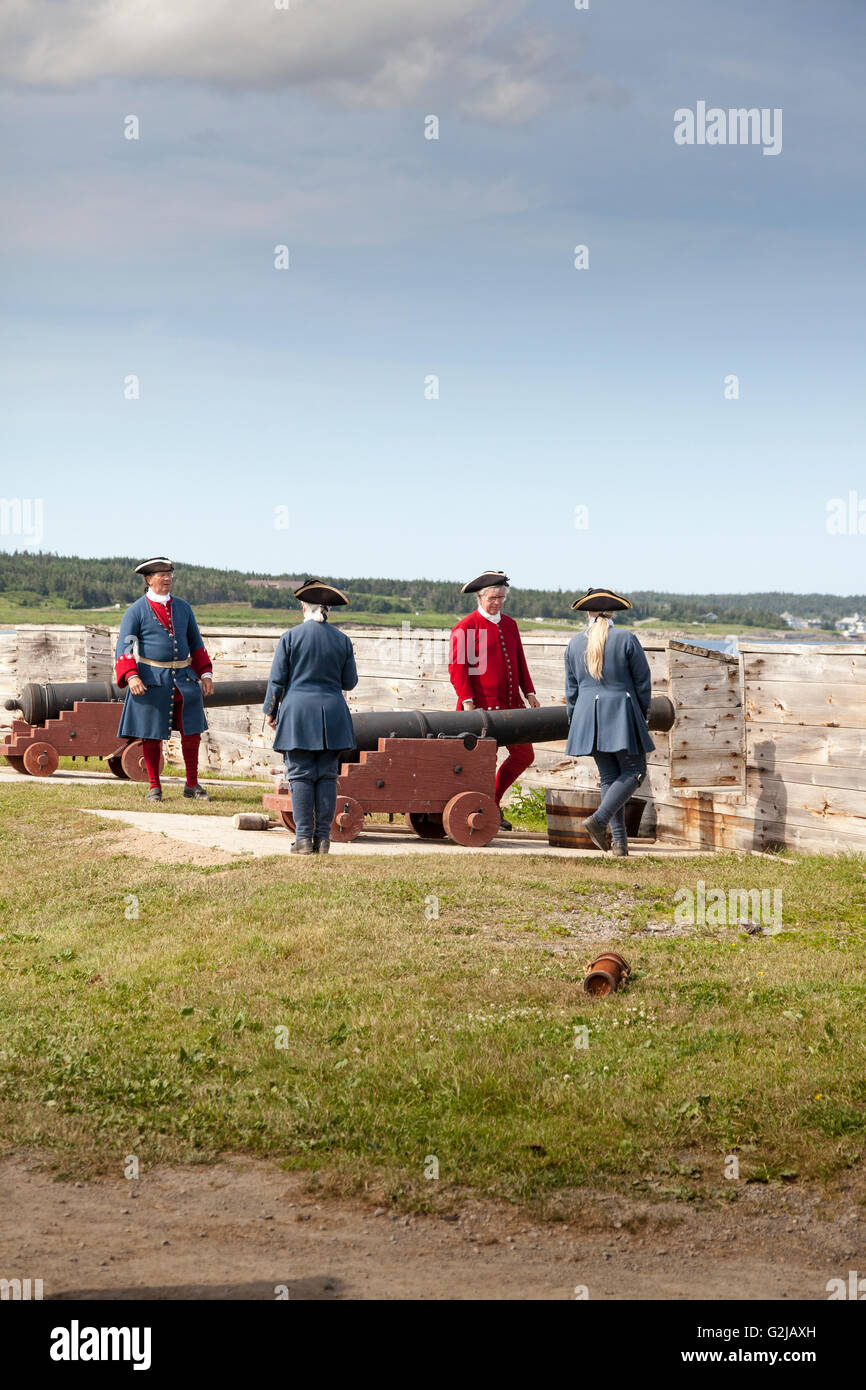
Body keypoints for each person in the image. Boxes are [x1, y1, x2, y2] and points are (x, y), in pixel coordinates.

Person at [264, 578, 358, 855]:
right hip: (333, 713)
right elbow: (349, 682)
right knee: (327, 776)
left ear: (304, 607)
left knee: (300, 775)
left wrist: (270, 710)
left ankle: (304, 839)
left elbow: (277, 681)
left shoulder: (290, 637)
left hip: (297, 714)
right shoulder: (342, 640)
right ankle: (324, 839)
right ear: (327, 609)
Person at [114, 558, 214, 802]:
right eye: (161, 575)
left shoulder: (183, 608)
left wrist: (206, 673)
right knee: (151, 735)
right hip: (152, 680)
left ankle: (192, 784)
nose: (167, 578)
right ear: (149, 579)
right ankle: (154, 786)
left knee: (192, 733)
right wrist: (131, 674)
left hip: (184, 679)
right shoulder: (136, 610)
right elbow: (124, 646)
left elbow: (196, 643)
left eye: (169, 574)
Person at [448, 569, 540, 831]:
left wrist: (529, 692)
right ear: (480, 597)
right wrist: (467, 701)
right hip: (480, 709)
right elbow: (457, 668)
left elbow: (519, 660)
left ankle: (492, 801)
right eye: (492, 598)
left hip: (512, 707)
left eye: (501, 597)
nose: (497, 602)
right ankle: (486, 810)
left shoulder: (510, 625)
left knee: (524, 755)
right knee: (482, 764)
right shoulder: (465, 627)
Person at [564, 588, 654, 857]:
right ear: (613, 611)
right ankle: (598, 821)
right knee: (635, 771)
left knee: (609, 776)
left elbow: (571, 688)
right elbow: (642, 683)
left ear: (587, 613)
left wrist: (574, 718)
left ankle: (620, 844)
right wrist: (643, 713)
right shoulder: (627, 638)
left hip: (586, 715)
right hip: (621, 712)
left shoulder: (574, 643)